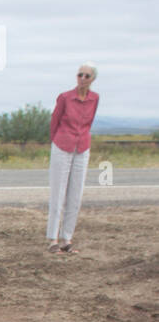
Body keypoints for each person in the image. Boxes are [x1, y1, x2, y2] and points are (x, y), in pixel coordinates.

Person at [46, 63, 99, 256]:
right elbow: (55, 121)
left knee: (75, 195)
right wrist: (58, 141)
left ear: (92, 79)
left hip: (82, 147)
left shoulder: (95, 98)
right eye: (80, 75)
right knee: (58, 193)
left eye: (87, 76)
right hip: (62, 145)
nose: (82, 78)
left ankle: (67, 239)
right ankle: (53, 239)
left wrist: (81, 139)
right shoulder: (65, 98)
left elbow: (89, 121)